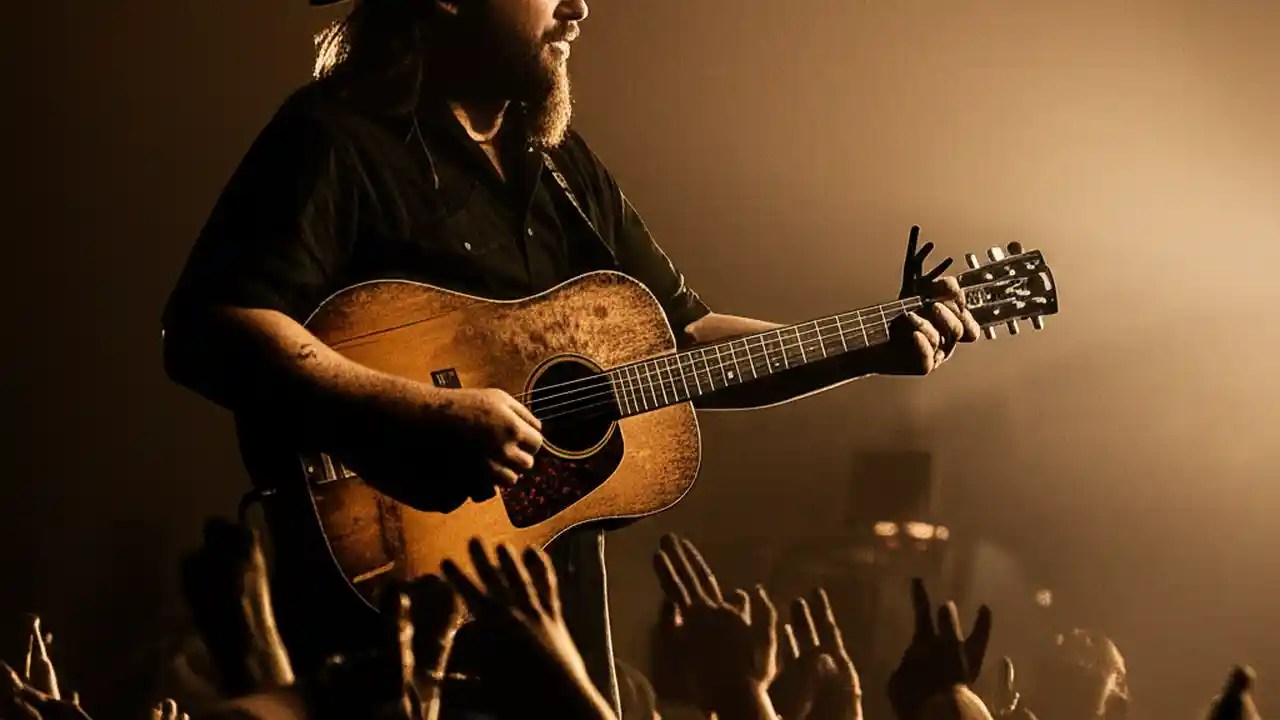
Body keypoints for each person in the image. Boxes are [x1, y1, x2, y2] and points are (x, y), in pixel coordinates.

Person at [160, 0, 980, 713]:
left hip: (553, 638)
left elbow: (683, 337)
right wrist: (419, 413)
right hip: (383, 634)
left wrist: (870, 347)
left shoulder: (561, 167)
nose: (579, 8)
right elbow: (210, 325)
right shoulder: (335, 137)